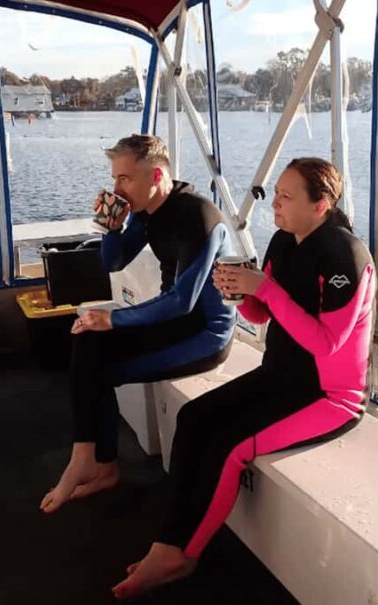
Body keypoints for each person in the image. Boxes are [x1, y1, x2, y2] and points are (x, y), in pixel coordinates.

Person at [111, 157, 376, 599]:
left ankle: (185, 555)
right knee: (195, 418)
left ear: (321, 204)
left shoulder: (344, 255)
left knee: (230, 447)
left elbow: (327, 344)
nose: (275, 203)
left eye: (287, 197)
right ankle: (166, 542)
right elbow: (261, 313)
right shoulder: (283, 242)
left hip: (330, 397)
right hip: (279, 377)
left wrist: (264, 288)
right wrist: (236, 293)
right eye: (275, 193)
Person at [40, 134, 236, 514]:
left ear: (156, 175)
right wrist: (112, 226)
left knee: (98, 359)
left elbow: (183, 300)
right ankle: (91, 458)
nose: (116, 188)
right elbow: (113, 263)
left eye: (124, 179)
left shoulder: (198, 215)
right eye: (115, 178)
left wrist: (113, 318)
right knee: (87, 341)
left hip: (202, 334)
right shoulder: (146, 212)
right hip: (171, 321)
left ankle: (97, 463)